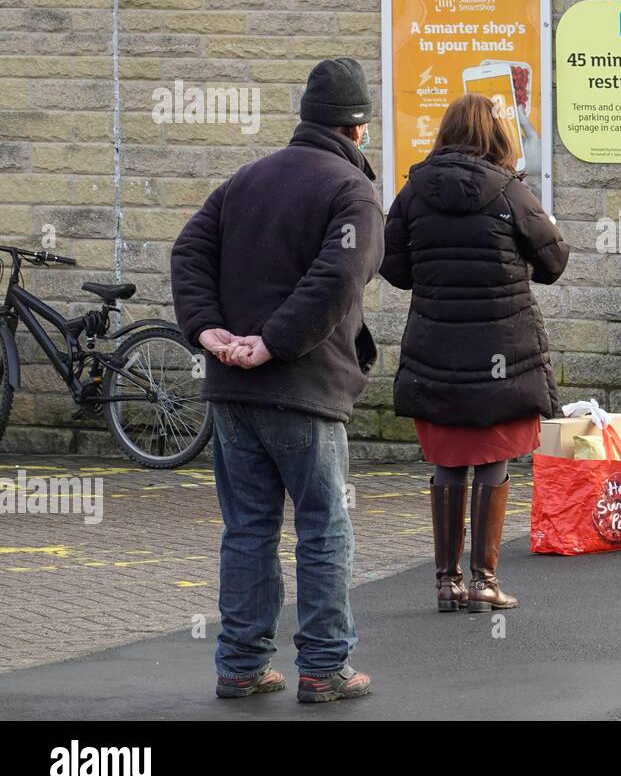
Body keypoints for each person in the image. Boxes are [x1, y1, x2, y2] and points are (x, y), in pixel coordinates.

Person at [171, 57, 384, 703]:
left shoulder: (244, 180)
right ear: (358, 129)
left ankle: (240, 665)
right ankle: (324, 666)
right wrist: (273, 344)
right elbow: (339, 277)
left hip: (232, 393)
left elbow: (189, 250)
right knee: (322, 529)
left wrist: (209, 333)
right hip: (304, 390)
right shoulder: (352, 192)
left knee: (247, 530)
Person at [381, 94, 568, 611]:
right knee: (493, 460)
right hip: (501, 353)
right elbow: (554, 261)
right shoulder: (510, 192)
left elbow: (392, 267)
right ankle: (485, 582)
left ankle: (447, 583)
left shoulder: (414, 192)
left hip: (435, 353)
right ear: (496, 137)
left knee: (449, 462)